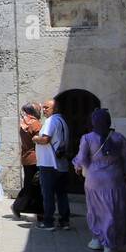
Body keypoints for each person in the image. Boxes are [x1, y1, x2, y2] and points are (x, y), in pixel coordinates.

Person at [72, 108, 126, 252]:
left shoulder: (87, 138)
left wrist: (77, 165)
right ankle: (110, 244)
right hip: (114, 180)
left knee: (95, 211)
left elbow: (82, 159)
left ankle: (97, 239)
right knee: (113, 211)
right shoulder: (119, 138)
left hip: (93, 180)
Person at [34, 97, 72, 231]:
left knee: (48, 194)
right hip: (61, 164)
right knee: (61, 194)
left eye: (46, 108)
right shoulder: (62, 121)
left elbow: (45, 139)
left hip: (49, 163)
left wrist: (35, 138)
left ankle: (48, 222)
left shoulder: (51, 121)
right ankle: (64, 221)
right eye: (43, 107)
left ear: (54, 109)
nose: (44, 110)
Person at [11, 103, 44, 218]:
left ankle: (31, 208)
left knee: (30, 184)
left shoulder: (24, 123)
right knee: (34, 185)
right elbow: (40, 140)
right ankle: (19, 206)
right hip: (35, 158)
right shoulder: (35, 124)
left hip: (26, 157)